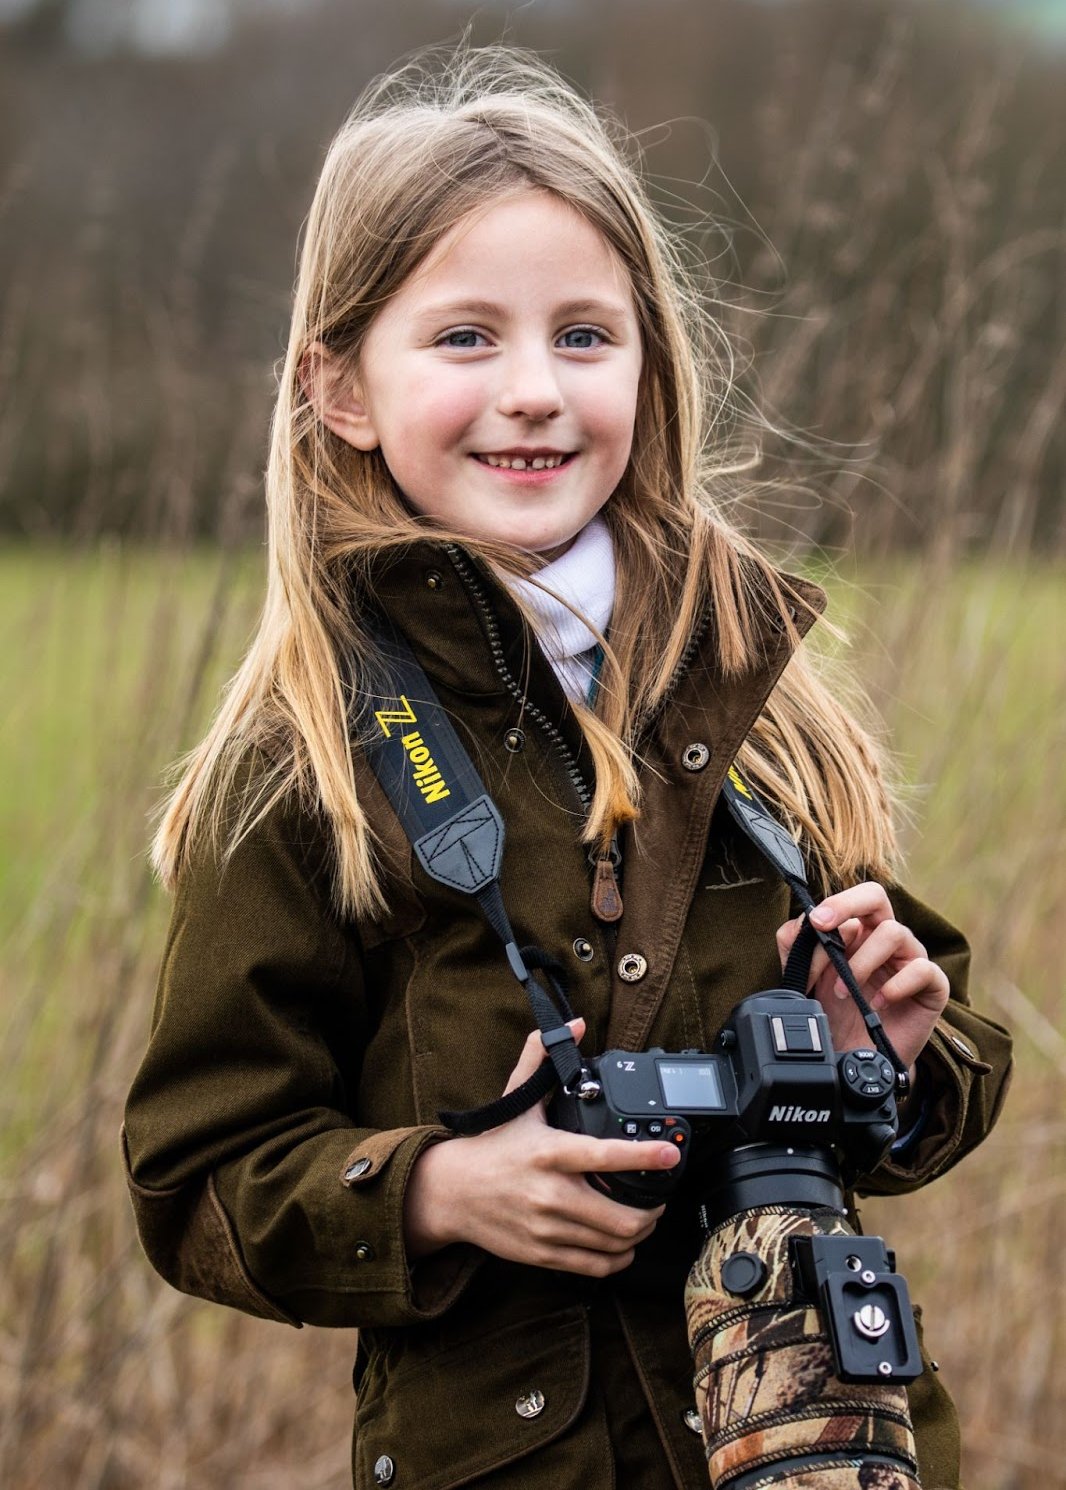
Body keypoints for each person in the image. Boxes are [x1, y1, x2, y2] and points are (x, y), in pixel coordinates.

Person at [123, 45, 1013, 1490]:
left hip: (825, 1442)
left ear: (650, 368)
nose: (532, 391)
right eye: (464, 338)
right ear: (340, 386)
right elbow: (194, 1175)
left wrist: (887, 1065)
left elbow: (947, 1065)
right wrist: (439, 1188)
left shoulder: (756, 700)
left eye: (584, 337)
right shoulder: (308, 761)